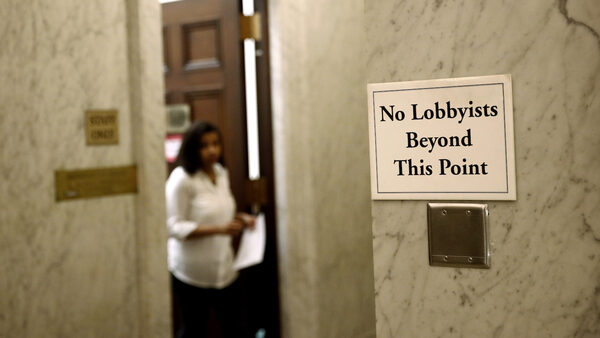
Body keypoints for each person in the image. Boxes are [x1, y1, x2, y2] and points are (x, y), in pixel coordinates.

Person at [166, 121, 255, 338]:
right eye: (204, 145)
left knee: (237, 329)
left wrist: (241, 219)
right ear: (193, 148)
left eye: (215, 144)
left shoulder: (221, 173)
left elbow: (219, 211)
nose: (212, 150)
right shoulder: (181, 179)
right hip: (191, 274)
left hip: (224, 270)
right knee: (193, 331)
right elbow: (174, 227)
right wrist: (218, 229)